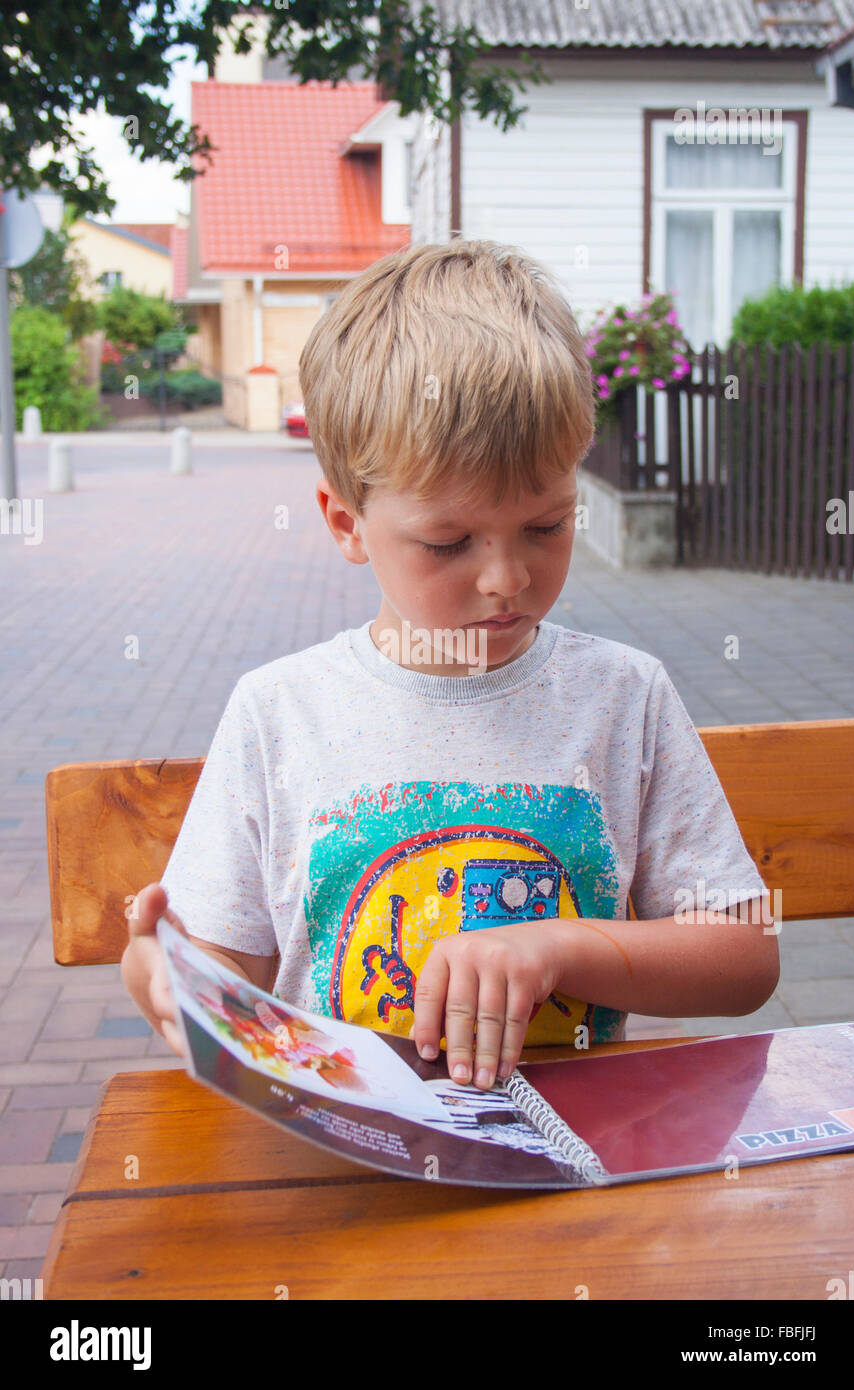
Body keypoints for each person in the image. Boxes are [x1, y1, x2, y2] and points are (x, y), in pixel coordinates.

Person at [121, 238, 779, 1092]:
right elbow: (222, 973)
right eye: (448, 541)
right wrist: (163, 977)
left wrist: (560, 945)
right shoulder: (279, 713)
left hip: (572, 1159)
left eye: (547, 526)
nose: (507, 579)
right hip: (345, 1175)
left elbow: (745, 956)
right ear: (346, 521)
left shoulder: (623, 697)